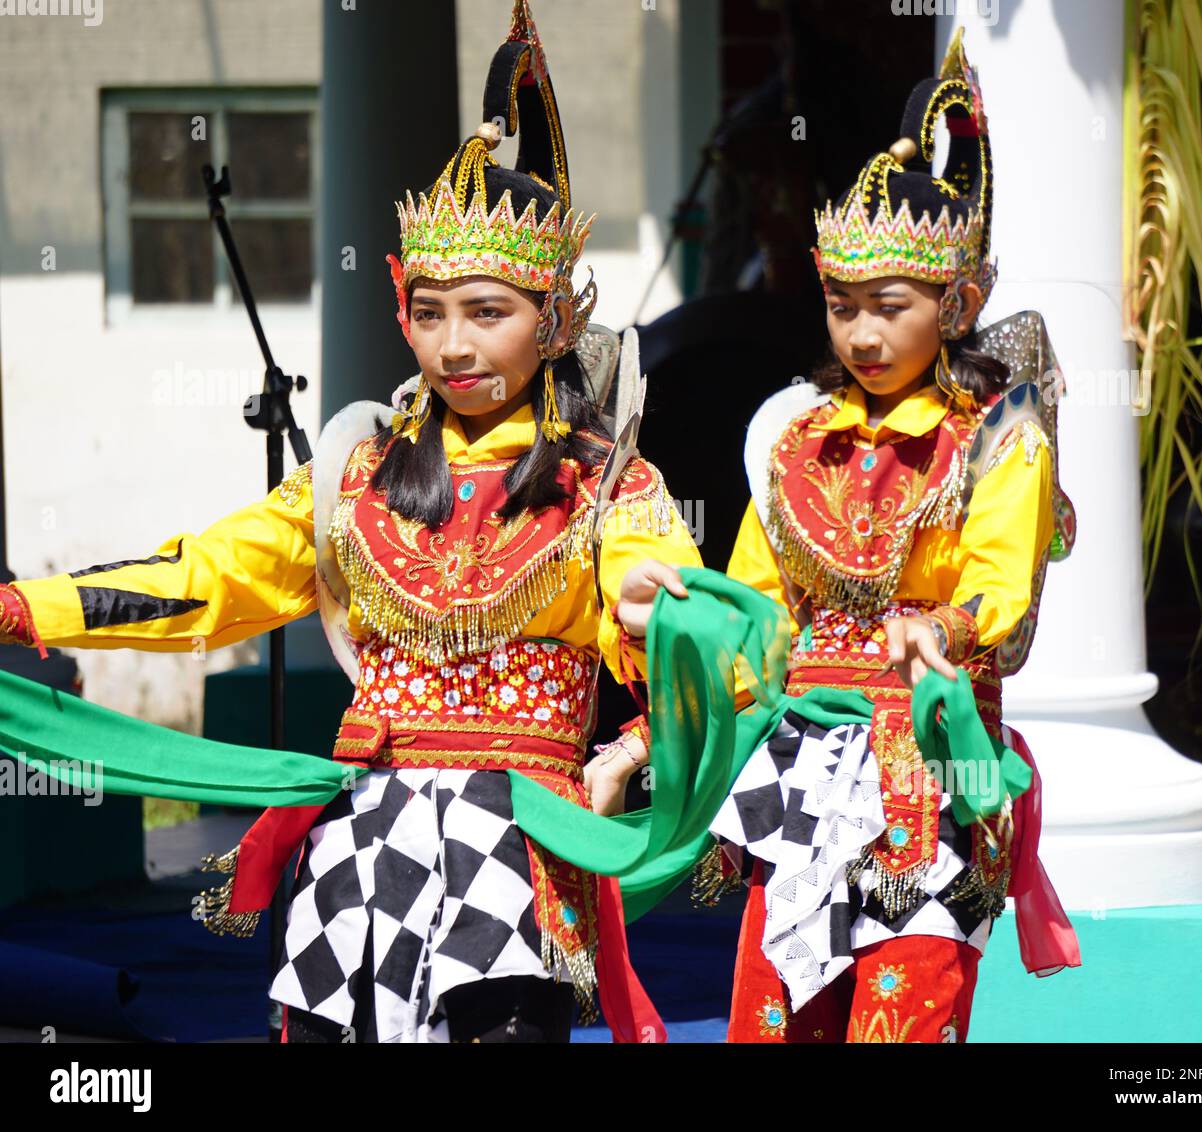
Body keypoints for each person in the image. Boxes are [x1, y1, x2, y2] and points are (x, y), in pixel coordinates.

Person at [0, 0, 701, 1044]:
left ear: (555, 320)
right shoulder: (359, 474)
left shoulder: (610, 488)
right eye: (429, 311)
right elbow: (209, 578)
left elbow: (703, 640)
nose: (453, 345)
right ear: (397, 305)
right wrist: (27, 607)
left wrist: (651, 644)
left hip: (515, 856)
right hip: (364, 841)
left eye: (487, 312)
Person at [705, 30, 1079, 1043]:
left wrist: (944, 633)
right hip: (803, 769)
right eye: (841, 307)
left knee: (905, 1019)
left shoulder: (994, 439)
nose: (862, 334)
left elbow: (1001, 586)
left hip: (937, 776)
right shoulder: (799, 444)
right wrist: (686, 658)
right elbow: (754, 613)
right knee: (777, 1022)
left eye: (890, 307)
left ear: (954, 303)